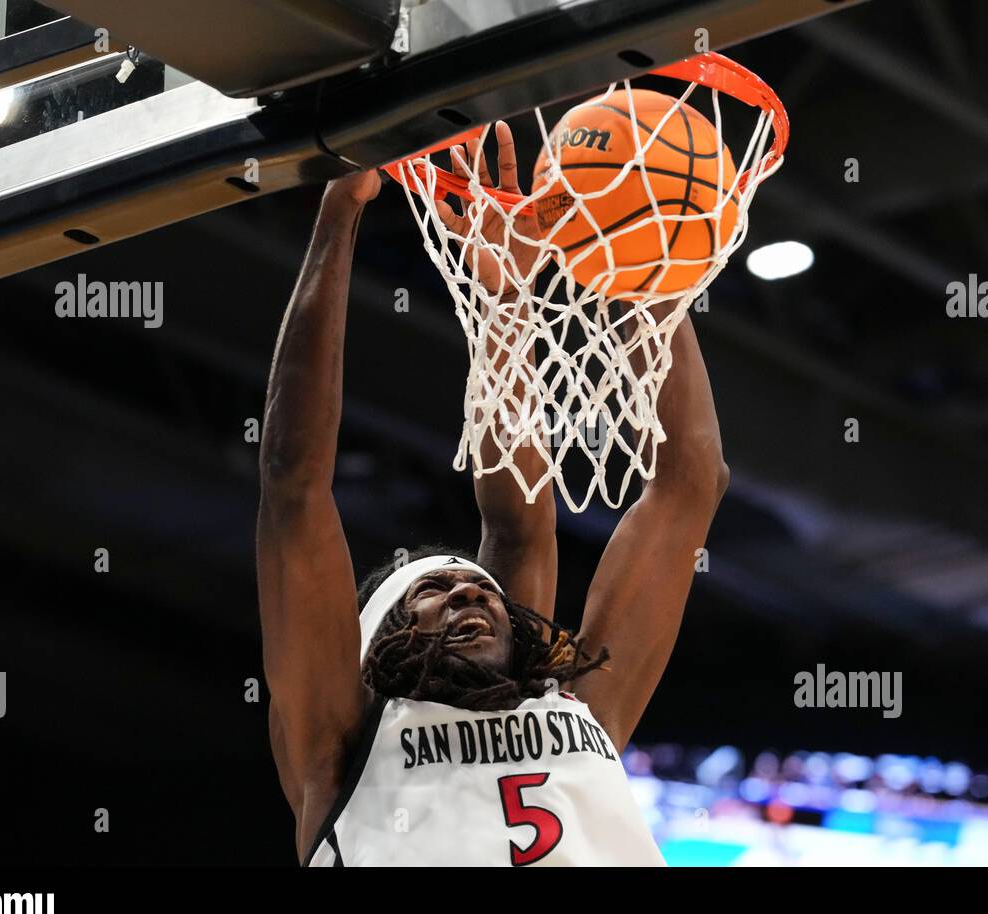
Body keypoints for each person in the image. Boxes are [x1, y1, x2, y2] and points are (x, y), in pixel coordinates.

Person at [256, 123, 729, 866]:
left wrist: (634, 263)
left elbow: (688, 485)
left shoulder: (582, 708)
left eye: (476, 591)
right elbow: (294, 485)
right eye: (435, 591)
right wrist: (341, 210)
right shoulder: (339, 747)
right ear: (376, 649)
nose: (471, 595)